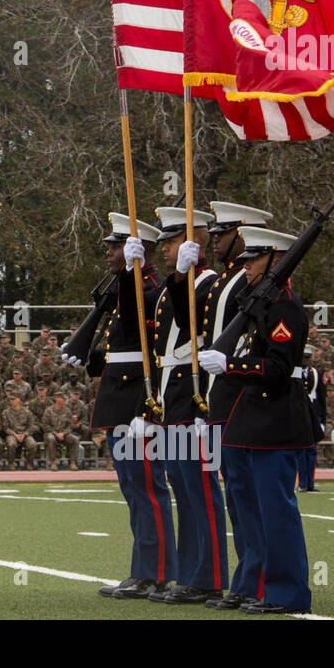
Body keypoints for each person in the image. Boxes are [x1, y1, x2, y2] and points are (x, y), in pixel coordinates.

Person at [198, 226, 314, 615]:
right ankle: (251, 583)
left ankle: (286, 593)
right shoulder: (260, 303)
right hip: (250, 417)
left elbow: (280, 369)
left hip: (276, 420)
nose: (246, 268)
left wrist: (230, 364)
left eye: (254, 260)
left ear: (276, 260)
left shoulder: (284, 306)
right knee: (246, 509)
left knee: (275, 511)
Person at [88, 213, 175, 602]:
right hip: (118, 400)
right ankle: (145, 570)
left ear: (141, 248)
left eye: (116, 244)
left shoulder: (153, 289)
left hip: (135, 403)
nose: (108, 250)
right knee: (133, 490)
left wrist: (146, 407)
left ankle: (153, 573)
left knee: (146, 490)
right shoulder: (131, 286)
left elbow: (157, 355)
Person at [148, 206, 227, 604]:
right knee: (183, 486)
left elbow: (198, 330)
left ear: (192, 241)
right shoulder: (176, 282)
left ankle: (208, 575)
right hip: (170, 395)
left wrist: (202, 410)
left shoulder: (210, 283)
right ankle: (190, 571)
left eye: (172, 241)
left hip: (192, 396)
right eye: (163, 242)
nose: (164, 249)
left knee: (200, 491)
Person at [198, 199, 273, 610]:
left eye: (224, 234)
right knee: (237, 496)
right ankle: (247, 579)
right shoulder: (229, 279)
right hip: (222, 395)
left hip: (241, 396)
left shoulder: (254, 282)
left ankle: (257, 579)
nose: (217, 241)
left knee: (248, 495)